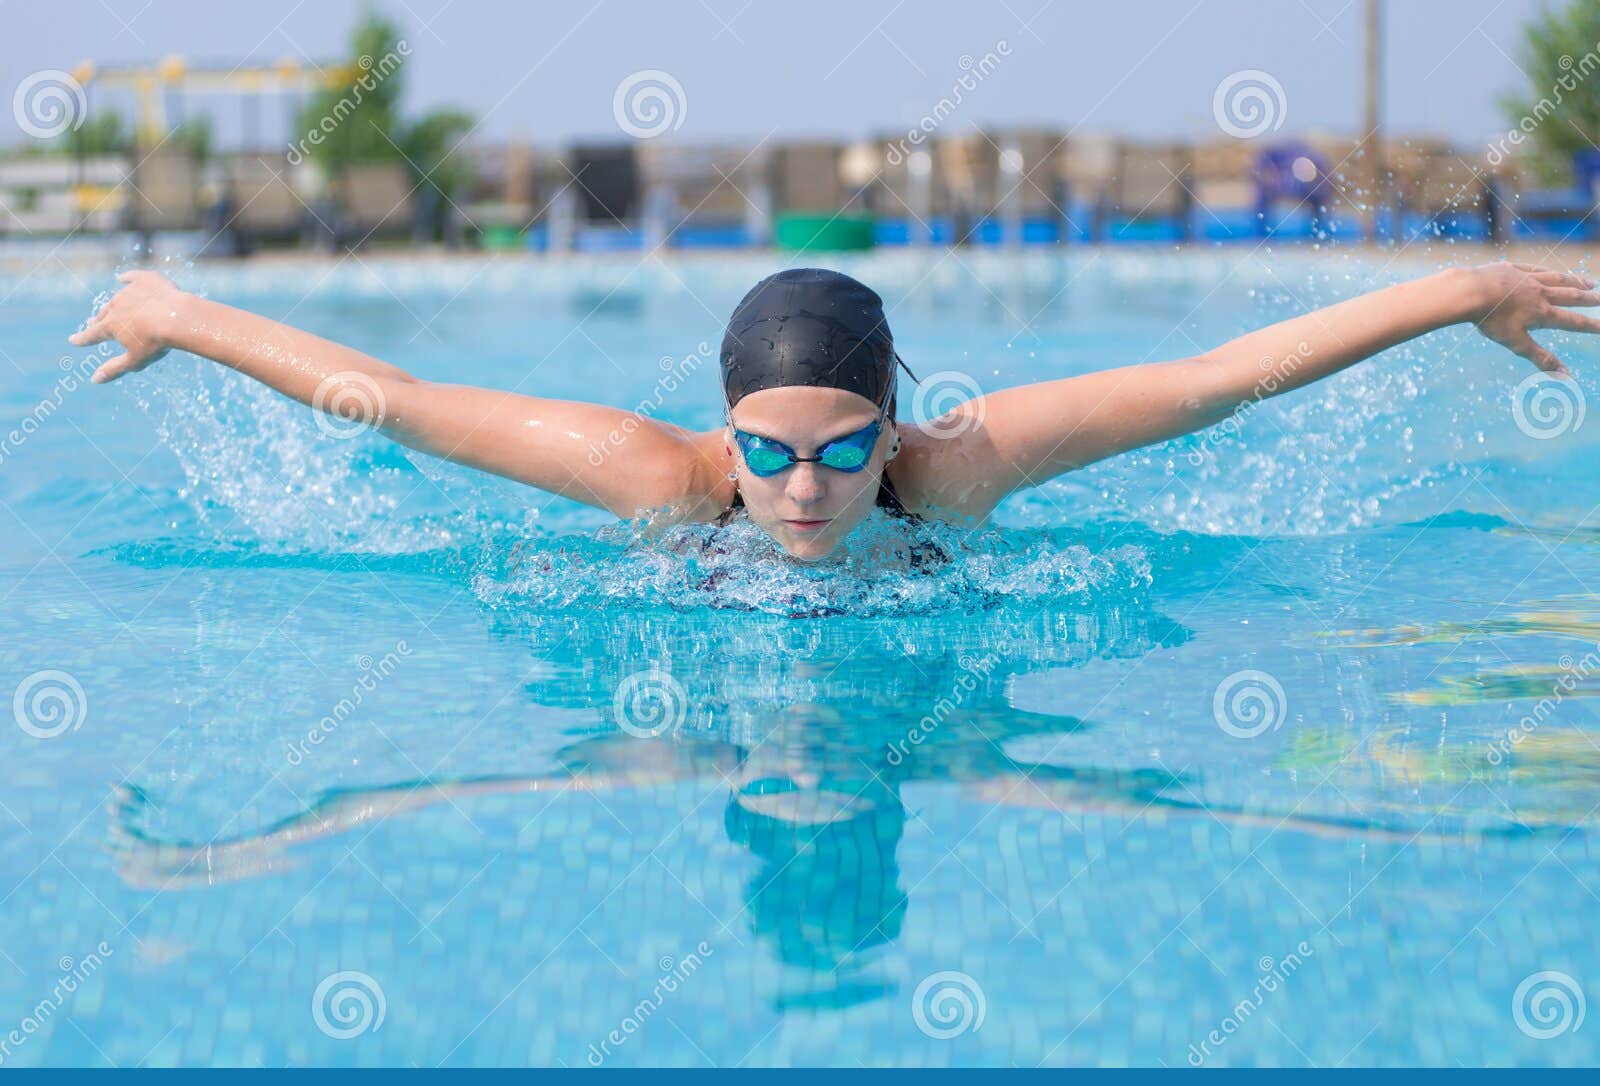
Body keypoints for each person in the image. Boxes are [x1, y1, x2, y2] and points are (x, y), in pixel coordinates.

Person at [70, 261, 1599, 561]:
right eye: (772, 454)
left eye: (844, 448)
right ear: (721, 431)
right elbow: (390, 399)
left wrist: (1463, 292)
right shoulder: (654, 482)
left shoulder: (957, 472)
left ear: (896, 417)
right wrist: (179, 314)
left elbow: (1212, 384)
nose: (805, 489)